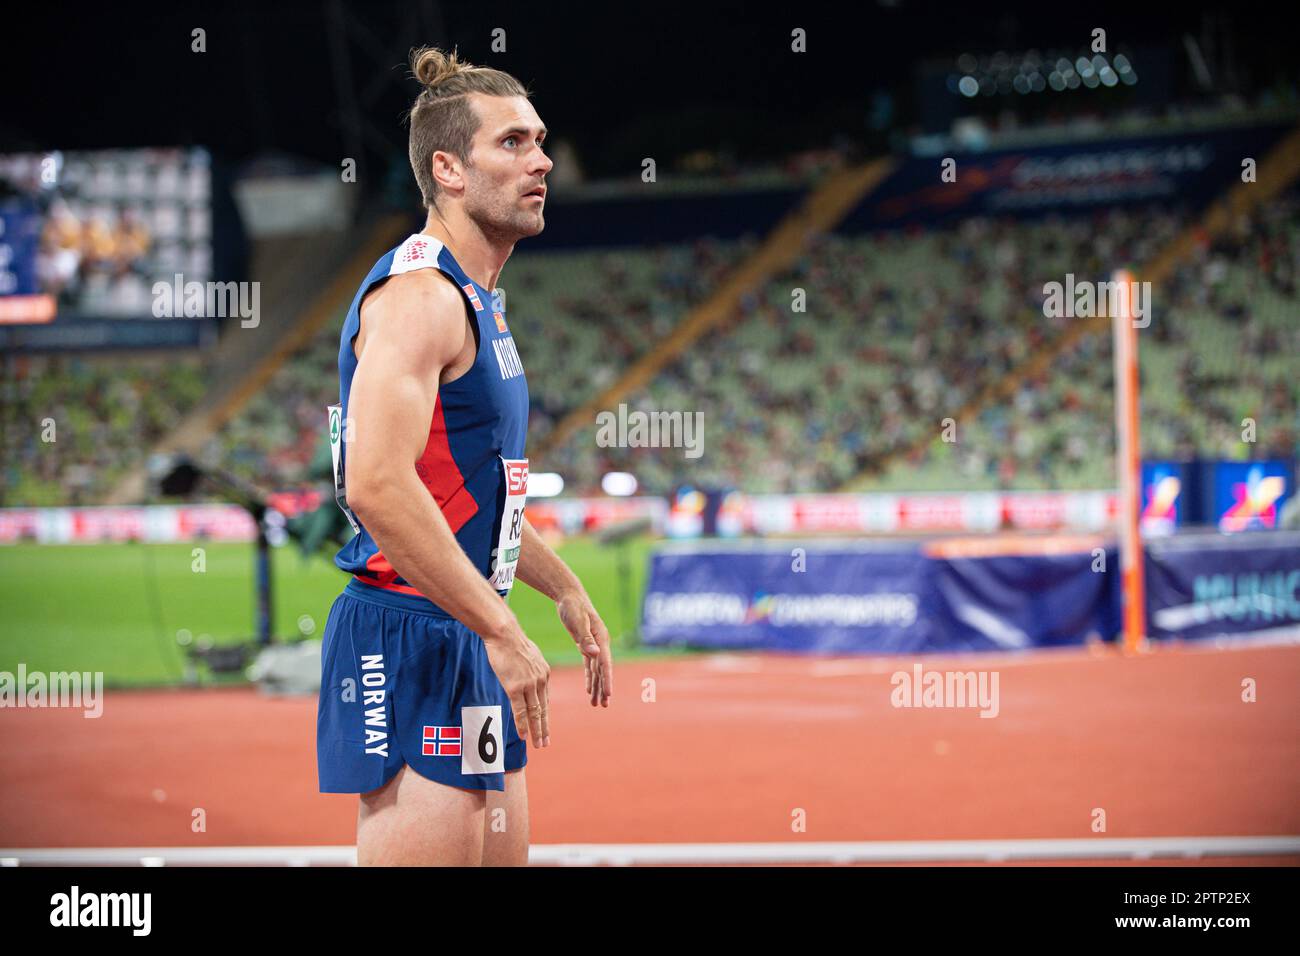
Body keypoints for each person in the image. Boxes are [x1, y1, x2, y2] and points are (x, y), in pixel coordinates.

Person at [316, 46, 613, 866]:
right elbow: (376, 484)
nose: (542, 160)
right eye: (512, 143)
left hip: (465, 623)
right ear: (447, 168)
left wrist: (560, 583)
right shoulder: (421, 299)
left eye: (541, 140)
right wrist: (500, 626)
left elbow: (469, 495)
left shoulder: (476, 298)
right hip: (412, 628)